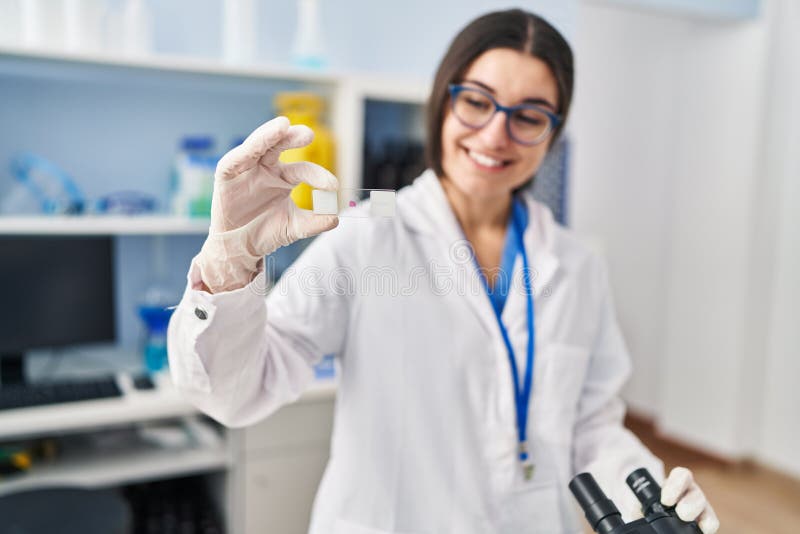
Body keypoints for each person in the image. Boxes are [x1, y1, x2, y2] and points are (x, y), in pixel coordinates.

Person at [167, 9, 720, 534]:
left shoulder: (576, 263)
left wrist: (645, 492)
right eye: (477, 102)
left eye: (529, 115)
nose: (496, 134)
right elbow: (237, 393)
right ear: (443, 102)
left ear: (552, 132)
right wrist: (228, 265)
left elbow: (592, 423)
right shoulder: (369, 226)